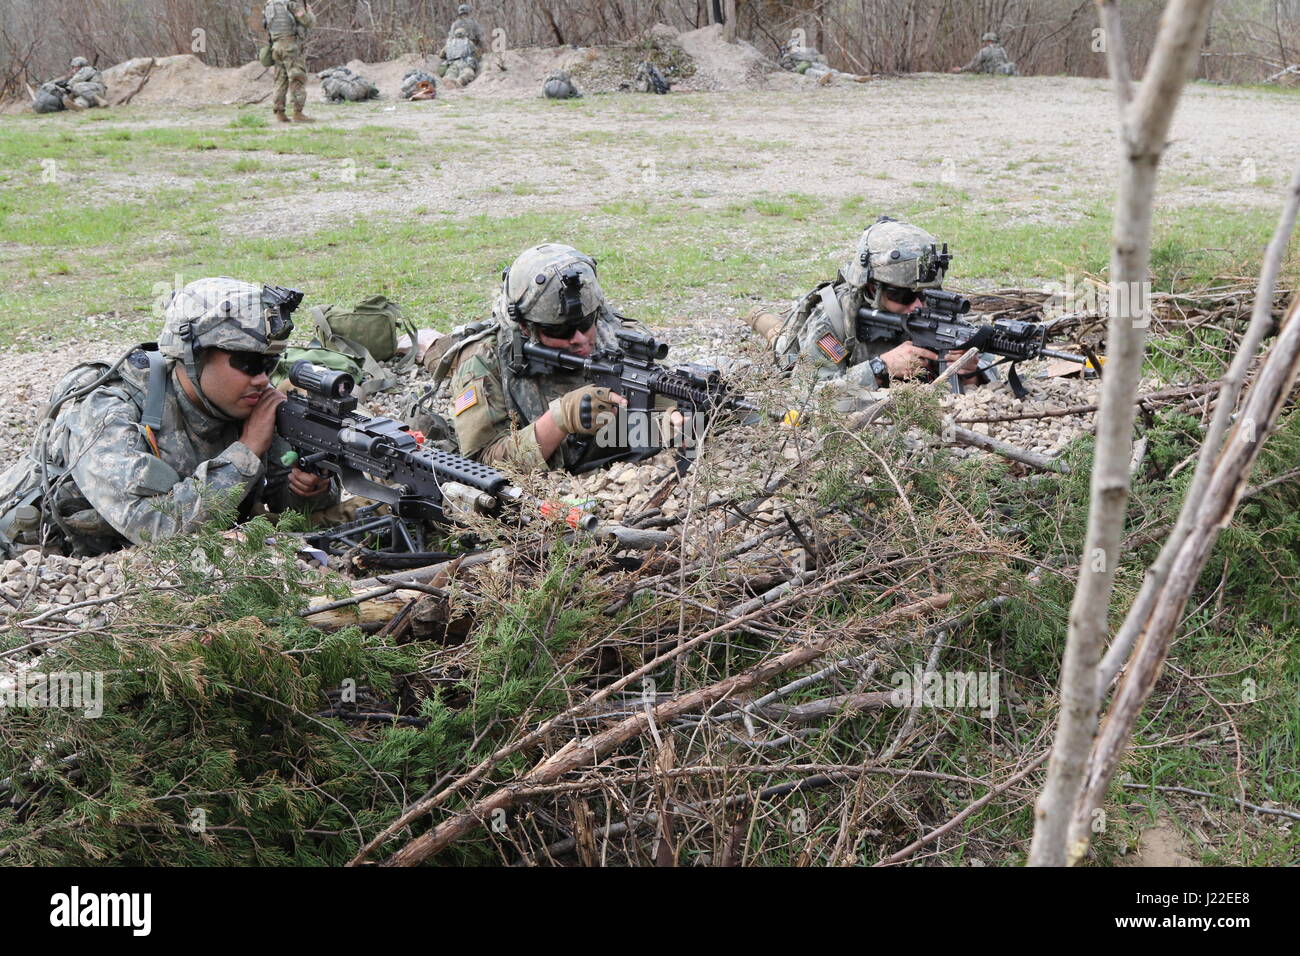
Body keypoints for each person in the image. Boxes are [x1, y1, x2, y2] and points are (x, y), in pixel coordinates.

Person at [0, 278, 336, 557]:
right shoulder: (109, 408)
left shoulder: (246, 400)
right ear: (192, 357)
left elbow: (285, 505)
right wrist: (245, 453)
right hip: (38, 565)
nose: (262, 379)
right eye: (247, 363)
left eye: (268, 364)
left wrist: (307, 490)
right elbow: (155, 527)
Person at [443, 244, 670, 474]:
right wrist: (560, 419)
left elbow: (661, 399)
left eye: (585, 323)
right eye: (560, 332)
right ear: (525, 328)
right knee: (433, 351)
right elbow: (479, 467)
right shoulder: (483, 360)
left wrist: (671, 413)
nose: (580, 339)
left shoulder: (616, 335)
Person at [745, 217, 984, 390]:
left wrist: (971, 373)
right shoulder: (836, 317)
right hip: (817, 348)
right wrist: (880, 369)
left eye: (929, 293)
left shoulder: (936, 310)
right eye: (903, 296)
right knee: (784, 343)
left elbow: (985, 374)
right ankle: (762, 319)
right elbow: (809, 394)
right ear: (872, 287)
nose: (918, 306)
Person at [263, 0, 317, 122]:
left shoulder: (269, 4)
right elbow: (308, 22)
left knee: (280, 80)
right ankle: (298, 113)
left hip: (276, 47)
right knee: (297, 78)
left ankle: (279, 113)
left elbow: (267, 25)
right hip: (290, 47)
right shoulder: (292, 4)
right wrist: (309, 12)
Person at [32, 57, 106, 113]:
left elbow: (74, 82)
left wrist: (63, 87)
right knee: (80, 100)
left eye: (74, 67)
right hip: (86, 93)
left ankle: (100, 101)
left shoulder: (87, 69)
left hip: (96, 89)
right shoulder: (78, 74)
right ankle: (80, 107)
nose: (73, 69)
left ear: (80, 66)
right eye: (73, 67)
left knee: (77, 86)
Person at [952, 32, 1018, 76]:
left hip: (994, 74)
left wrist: (961, 70)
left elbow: (973, 64)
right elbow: (1006, 61)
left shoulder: (984, 51)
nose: (984, 43)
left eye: (985, 41)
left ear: (989, 41)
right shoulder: (1001, 49)